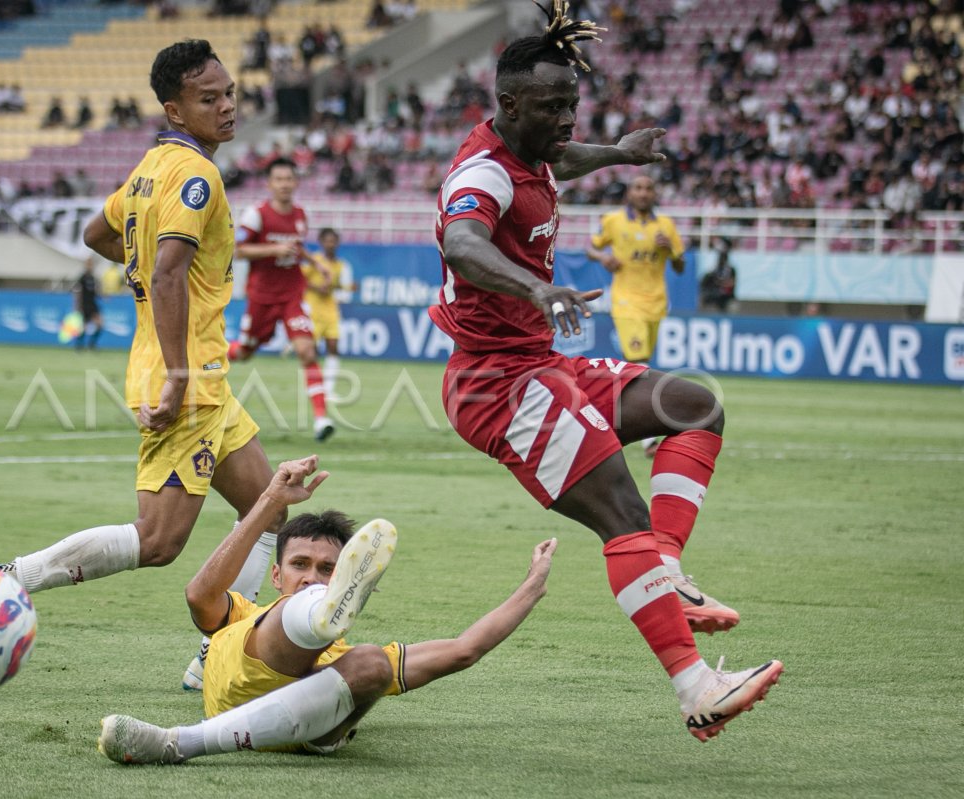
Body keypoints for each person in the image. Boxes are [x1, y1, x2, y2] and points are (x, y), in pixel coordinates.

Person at [430, 2, 780, 742]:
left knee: (693, 405)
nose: (566, 119)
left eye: (573, 105)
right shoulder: (483, 174)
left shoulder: (533, 150)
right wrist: (534, 287)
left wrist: (617, 151)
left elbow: (564, 157)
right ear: (508, 103)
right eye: (553, 107)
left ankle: (672, 573)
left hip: (541, 365)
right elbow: (462, 243)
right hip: (496, 388)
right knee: (623, 511)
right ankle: (697, 686)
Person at [0, 39, 282, 696]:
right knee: (159, 539)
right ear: (175, 108)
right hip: (184, 379)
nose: (227, 107)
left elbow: (98, 234)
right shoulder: (197, 177)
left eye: (229, 94)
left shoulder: (148, 169)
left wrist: (139, 271)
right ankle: (9, 576)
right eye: (209, 98)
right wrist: (174, 370)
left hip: (205, 379)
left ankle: (217, 650)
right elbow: (167, 272)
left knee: (268, 511)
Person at [97, 455, 557, 763]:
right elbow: (199, 595)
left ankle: (192, 739)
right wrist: (272, 500)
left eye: (326, 571)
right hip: (247, 681)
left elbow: (463, 650)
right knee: (291, 621)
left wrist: (531, 588)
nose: (310, 575)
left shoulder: (343, 657)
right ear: (276, 576)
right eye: (299, 565)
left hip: (308, 730)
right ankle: (312, 619)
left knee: (372, 664)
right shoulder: (241, 612)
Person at [227, 157, 335, 442]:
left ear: (296, 182)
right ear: (269, 183)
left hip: (291, 296)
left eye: (289, 179)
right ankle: (203, 358)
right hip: (261, 297)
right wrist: (273, 249)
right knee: (244, 352)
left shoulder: (300, 214)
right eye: (279, 179)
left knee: (307, 351)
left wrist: (316, 262)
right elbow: (237, 250)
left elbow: (296, 248)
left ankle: (322, 419)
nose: (285, 184)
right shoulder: (256, 214)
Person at [584, 174, 685, 458]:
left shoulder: (666, 226)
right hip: (625, 301)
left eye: (648, 188)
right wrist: (603, 257)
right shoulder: (614, 221)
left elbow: (680, 265)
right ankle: (648, 439)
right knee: (640, 364)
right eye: (638, 188)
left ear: (654, 193)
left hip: (656, 303)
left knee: (640, 365)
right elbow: (590, 247)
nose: (643, 193)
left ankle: (612, 417)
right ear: (630, 192)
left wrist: (672, 253)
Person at [301, 227, 355, 399]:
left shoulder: (341, 265)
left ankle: (329, 390)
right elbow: (300, 280)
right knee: (312, 351)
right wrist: (317, 287)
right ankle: (314, 388)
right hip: (313, 309)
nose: (330, 244)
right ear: (321, 242)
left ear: (337, 243)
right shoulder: (314, 261)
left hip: (331, 310)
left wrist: (346, 288)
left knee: (333, 347)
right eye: (327, 240)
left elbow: (340, 287)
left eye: (333, 241)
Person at [72, 256, 103, 350]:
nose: (90, 266)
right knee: (83, 327)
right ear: (85, 265)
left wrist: (103, 296)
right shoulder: (82, 278)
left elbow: (96, 292)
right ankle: (79, 344)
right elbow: (78, 292)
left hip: (93, 304)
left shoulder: (93, 278)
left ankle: (92, 344)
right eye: (88, 264)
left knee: (100, 324)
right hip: (84, 305)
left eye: (91, 264)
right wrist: (77, 305)